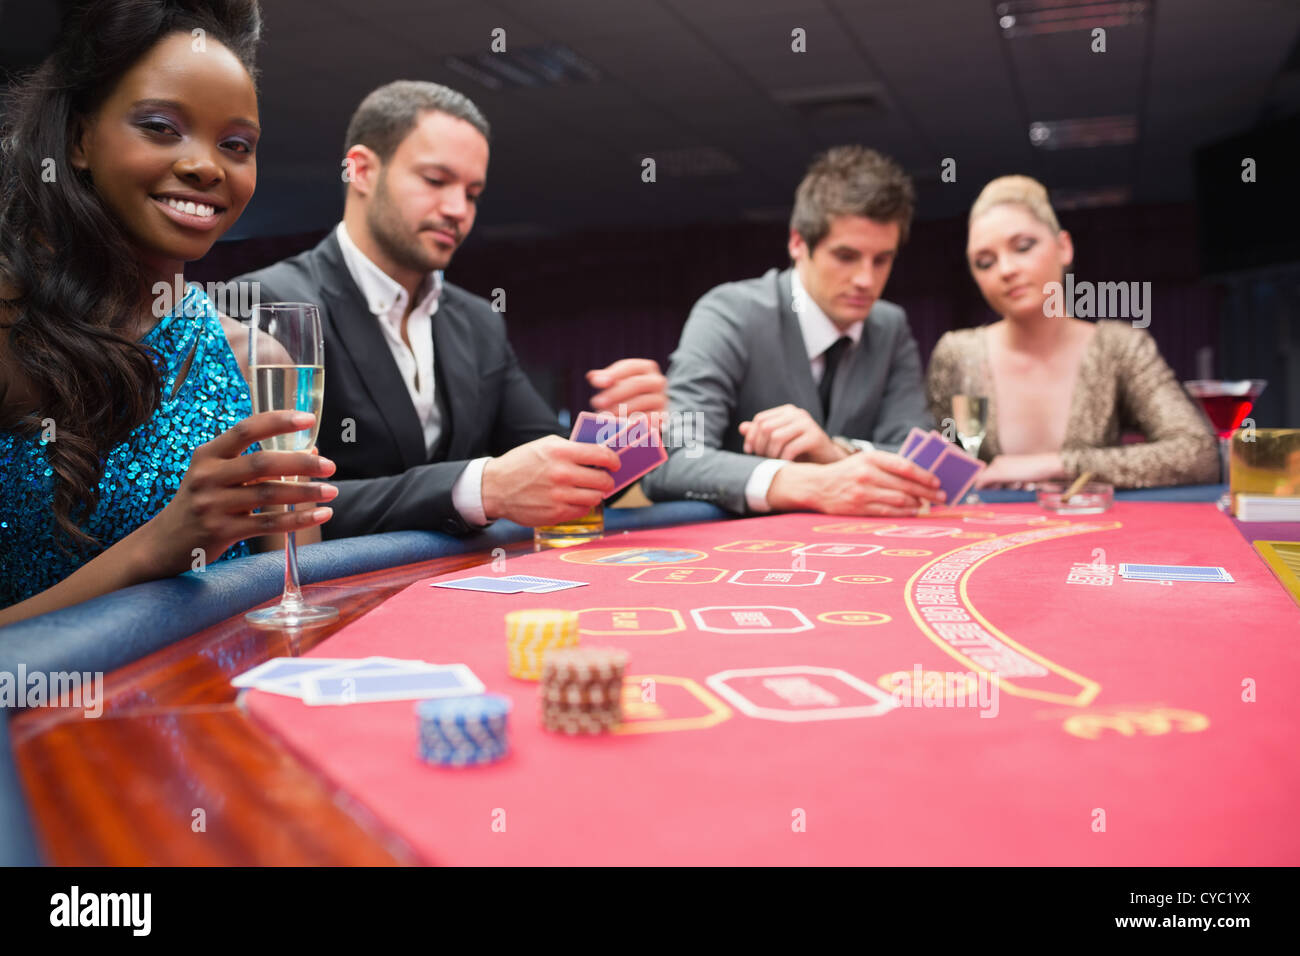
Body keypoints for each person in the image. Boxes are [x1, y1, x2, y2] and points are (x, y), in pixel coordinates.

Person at [0, 0, 338, 625]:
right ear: (78, 140)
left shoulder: (258, 360)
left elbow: (290, 606)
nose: (205, 166)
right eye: (161, 127)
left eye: (236, 144)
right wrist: (156, 548)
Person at [235, 81, 666, 538]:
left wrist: (625, 438)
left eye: (473, 192)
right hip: (331, 601)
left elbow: (551, 462)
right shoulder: (267, 304)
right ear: (360, 171)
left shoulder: (479, 322)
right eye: (436, 181)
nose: (458, 209)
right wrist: (478, 489)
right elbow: (278, 505)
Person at [642, 146, 942, 517]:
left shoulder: (889, 325)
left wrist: (833, 452)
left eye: (882, 260)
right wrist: (809, 483)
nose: (866, 280)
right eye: (846, 256)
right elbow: (669, 461)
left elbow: (921, 462)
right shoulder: (729, 313)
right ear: (798, 243)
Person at [926, 175, 1219, 488]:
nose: (1006, 270)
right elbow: (937, 469)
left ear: (1064, 247)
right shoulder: (957, 354)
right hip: (989, 536)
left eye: (1023, 247)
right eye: (985, 262)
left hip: (1096, 531)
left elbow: (1199, 454)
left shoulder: (1118, 347)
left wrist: (1056, 465)